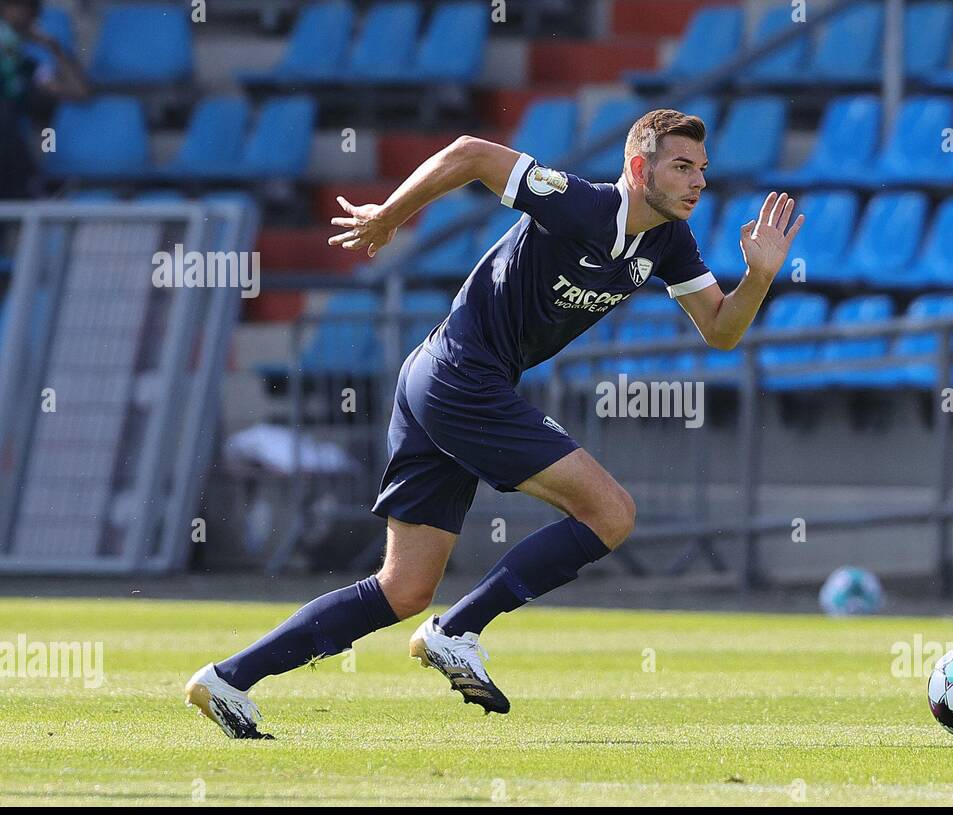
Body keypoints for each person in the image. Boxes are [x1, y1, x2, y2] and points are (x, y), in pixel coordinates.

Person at [185, 109, 803, 738]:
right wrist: (390, 217)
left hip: (445, 379)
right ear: (639, 167)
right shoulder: (580, 205)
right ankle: (457, 630)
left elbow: (723, 330)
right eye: (681, 166)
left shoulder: (668, 241)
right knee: (611, 513)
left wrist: (759, 276)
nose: (698, 181)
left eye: (702, 168)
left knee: (402, 588)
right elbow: (472, 153)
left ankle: (228, 678)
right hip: (460, 377)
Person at [0, 0, 87, 198]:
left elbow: (79, 92)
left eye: (27, 10)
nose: (19, 14)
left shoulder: (28, 67)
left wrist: (54, 48)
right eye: (12, 8)